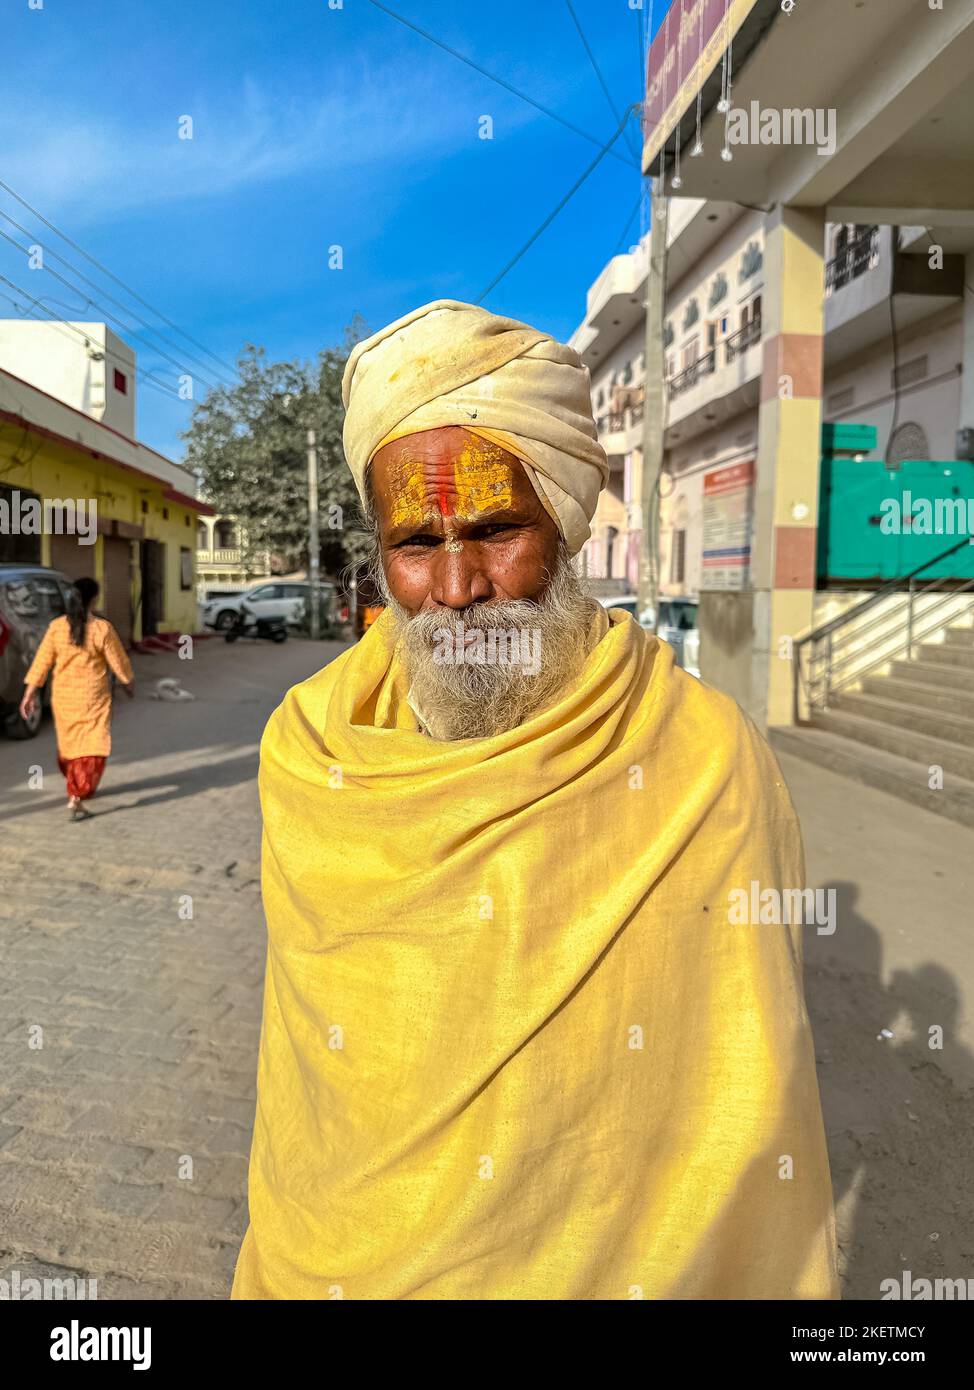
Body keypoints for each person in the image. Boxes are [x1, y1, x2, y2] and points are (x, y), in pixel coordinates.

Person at [232, 300, 839, 1300]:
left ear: (562, 520)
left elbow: (745, 1095)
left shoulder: (701, 759)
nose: (460, 585)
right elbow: (316, 1098)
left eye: (497, 530)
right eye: (416, 542)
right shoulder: (312, 753)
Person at [20, 577, 134, 820]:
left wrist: (29, 694)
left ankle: (77, 786)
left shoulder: (56, 627)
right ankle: (77, 795)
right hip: (93, 698)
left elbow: (41, 662)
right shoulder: (102, 628)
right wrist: (127, 683)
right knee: (93, 747)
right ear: (94, 599)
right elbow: (119, 663)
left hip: (63, 697)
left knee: (71, 747)